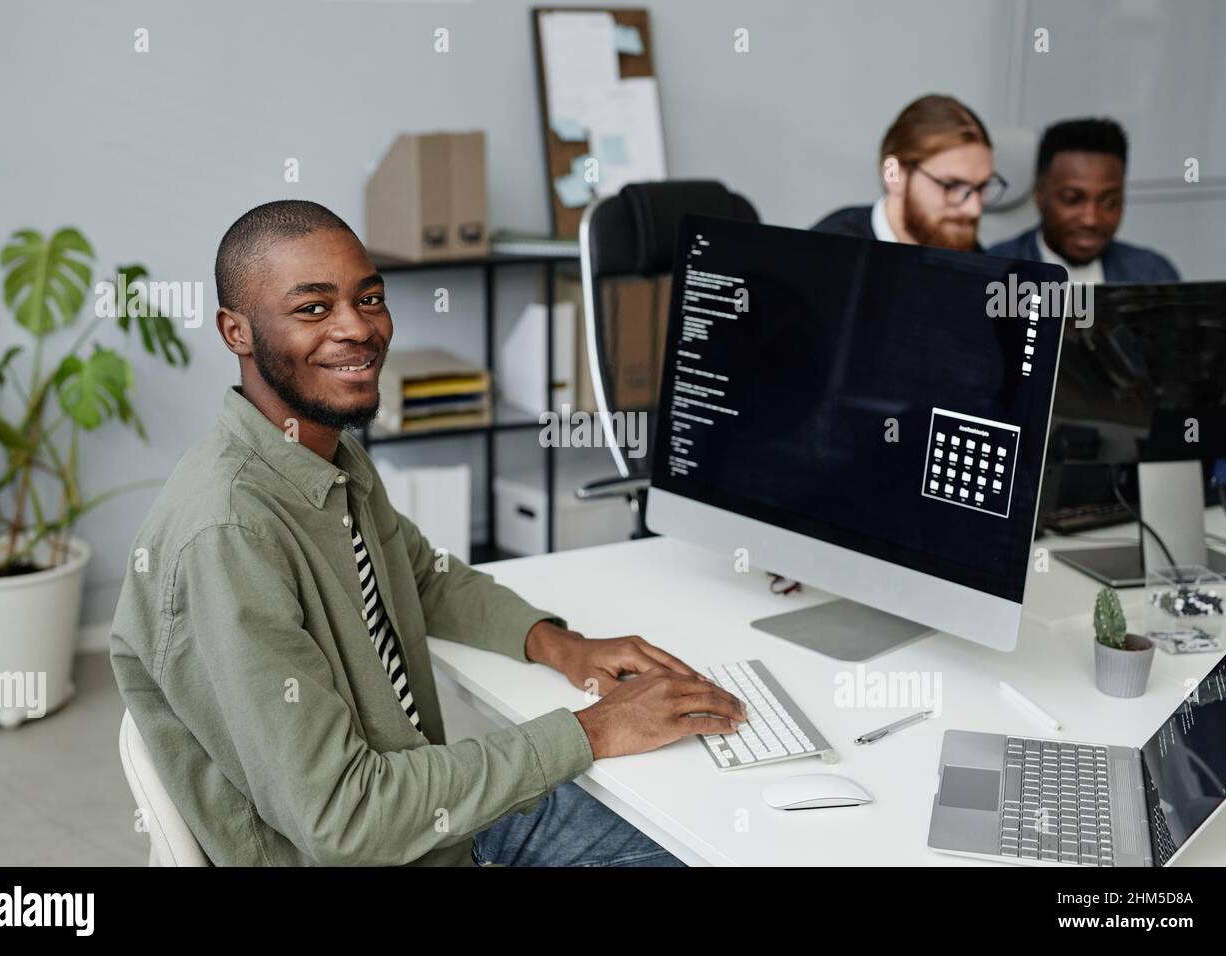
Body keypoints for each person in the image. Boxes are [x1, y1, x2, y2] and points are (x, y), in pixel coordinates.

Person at [109, 199, 748, 867]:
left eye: (370, 297)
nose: (357, 328)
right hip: (387, 844)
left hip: (435, 833)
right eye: (314, 309)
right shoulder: (229, 537)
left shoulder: (320, 454)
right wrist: (593, 730)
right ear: (236, 331)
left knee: (694, 825)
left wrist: (559, 645)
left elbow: (418, 574)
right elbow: (344, 820)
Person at [987, 117, 1180, 282]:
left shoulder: (1152, 275)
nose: (1091, 219)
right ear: (1039, 194)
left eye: (1109, 202)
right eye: (1072, 199)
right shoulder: (992, 272)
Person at [811, 93, 1006, 252]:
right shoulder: (828, 252)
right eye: (952, 185)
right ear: (895, 176)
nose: (974, 209)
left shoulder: (973, 258)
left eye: (982, 187)